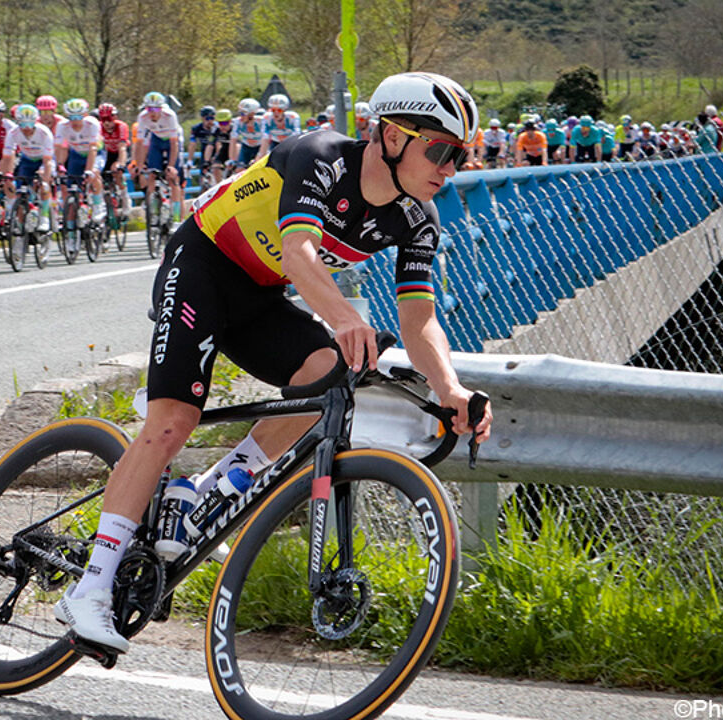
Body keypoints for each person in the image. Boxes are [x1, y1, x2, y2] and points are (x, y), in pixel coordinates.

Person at [52, 70, 493, 654]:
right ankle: (90, 588)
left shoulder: (418, 219)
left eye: (461, 155)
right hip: (203, 265)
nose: (450, 167)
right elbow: (298, 251)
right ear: (391, 136)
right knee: (173, 421)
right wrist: (344, 318)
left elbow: (418, 319)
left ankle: (209, 490)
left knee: (330, 378)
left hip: (260, 296)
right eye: (440, 149)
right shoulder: (320, 156)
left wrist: (452, 389)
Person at [0, 104, 56, 232]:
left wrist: (45, 177)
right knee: (20, 192)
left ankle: (45, 217)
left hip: (44, 160)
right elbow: (8, 156)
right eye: (22, 125)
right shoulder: (13, 133)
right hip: (27, 160)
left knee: (44, 186)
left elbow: (48, 161)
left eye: (29, 124)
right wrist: (7, 174)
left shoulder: (44, 133)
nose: (26, 129)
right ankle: (19, 224)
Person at [133, 91, 184, 225]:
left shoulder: (170, 115)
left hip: (172, 140)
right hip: (156, 139)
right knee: (151, 175)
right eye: (149, 109)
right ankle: (153, 212)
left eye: (156, 109)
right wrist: (139, 166)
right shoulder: (143, 117)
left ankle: (176, 218)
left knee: (173, 179)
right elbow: (140, 143)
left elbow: (174, 143)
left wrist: (171, 166)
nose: (152, 112)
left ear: (161, 108)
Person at [54, 98, 105, 223]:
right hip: (76, 154)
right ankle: (75, 219)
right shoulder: (62, 125)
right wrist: (59, 165)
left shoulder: (92, 123)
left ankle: (99, 204)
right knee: (71, 185)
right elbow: (59, 147)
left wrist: (89, 170)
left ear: (85, 115)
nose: (75, 120)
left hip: (96, 152)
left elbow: (93, 148)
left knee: (94, 173)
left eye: (78, 116)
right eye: (71, 117)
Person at [97, 102, 132, 210]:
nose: (106, 122)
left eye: (109, 118)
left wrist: (120, 164)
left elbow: (122, 148)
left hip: (121, 151)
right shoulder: (98, 127)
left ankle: (125, 197)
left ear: (115, 117)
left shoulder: (121, 126)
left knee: (116, 171)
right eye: (103, 119)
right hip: (107, 153)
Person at [188, 106, 223, 183]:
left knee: (217, 172)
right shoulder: (196, 128)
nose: (210, 121)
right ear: (202, 118)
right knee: (204, 179)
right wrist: (190, 160)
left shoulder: (218, 127)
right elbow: (192, 144)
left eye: (212, 118)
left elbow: (219, 144)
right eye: (207, 118)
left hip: (218, 151)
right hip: (204, 153)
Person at [228, 97, 266, 168]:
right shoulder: (238, 122)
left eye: (243, 114)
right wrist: (232, 159)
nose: (240, 116)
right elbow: (233, 140)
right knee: (239, 170)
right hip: (246, 147)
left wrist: (258, 157)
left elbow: (266, 141)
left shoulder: (262, 122)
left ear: (252, 114)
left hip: (260, 146)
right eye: (240, 113)